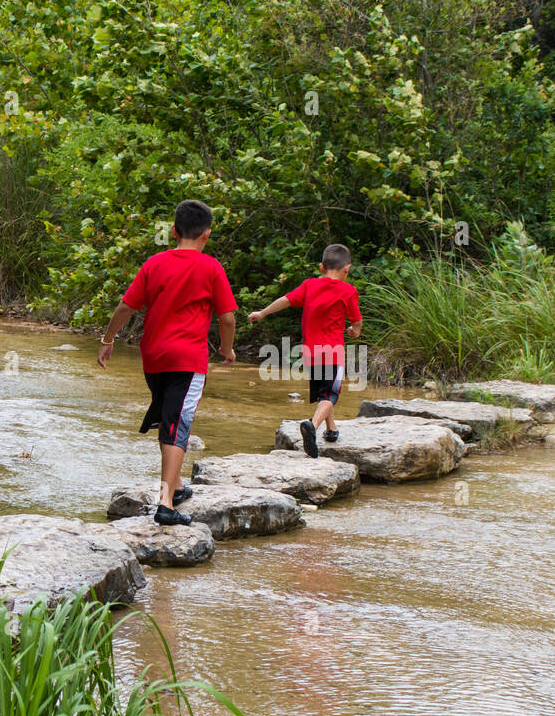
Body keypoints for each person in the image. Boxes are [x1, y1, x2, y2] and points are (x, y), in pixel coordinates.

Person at [97, 200, 237, 524]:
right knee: (178, 425)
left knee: (168, 419)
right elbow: (227, 318)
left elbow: (124, 307)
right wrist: (226, 350)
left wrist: (108, 340)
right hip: (187, 359)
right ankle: (166, 504)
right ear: (207, 235)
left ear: (174, 231)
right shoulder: (211, 268)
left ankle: (174, 486)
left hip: (153, 357)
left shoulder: (155, 263)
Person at [248, 243, 362, 458]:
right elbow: (357, 321)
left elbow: (286, 300)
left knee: (323, 392)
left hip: (311, 352)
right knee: (330, 395)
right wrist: (354, 331)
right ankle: (313, 425)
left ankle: (331, 429)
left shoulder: (310, 285)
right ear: (347, 269)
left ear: (321, 267)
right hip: (333, 352)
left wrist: (262, 313)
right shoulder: (348, 290)